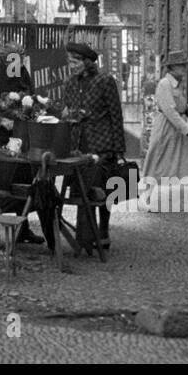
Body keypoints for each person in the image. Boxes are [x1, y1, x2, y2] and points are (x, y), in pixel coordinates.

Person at [0, 43, 46, 246]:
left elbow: (31, 99)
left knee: (23, 181)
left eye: (20, 59)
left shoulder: (23, 75)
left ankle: (23, 227)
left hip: (20, 138)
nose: (18, 63)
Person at [61, 42, 126, 247]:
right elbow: (67, 110)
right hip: (78, 143)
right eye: (70, 61)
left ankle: (103, 231)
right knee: (82, 191)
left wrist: (118, 148)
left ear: (87, 62)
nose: (72, 65)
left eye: (75, 62)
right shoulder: (70, 83)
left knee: (102, 189)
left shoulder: (104, 81)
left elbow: (116, 115)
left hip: (101, 143)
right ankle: (85, 235)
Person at [142, 50, 188, 215]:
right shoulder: (164, 84)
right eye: (180, 66)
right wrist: (187, 129)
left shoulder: (177, 84)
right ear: (172, 67)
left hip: (178, 129)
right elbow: (169, 110)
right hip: (166, 130)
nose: (184, 69)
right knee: (156, 164)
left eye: (184, 65)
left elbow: (178, 108)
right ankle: (144, 200)